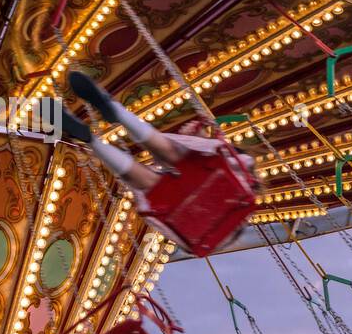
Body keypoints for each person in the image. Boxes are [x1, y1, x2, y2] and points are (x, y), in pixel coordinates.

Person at [51, 71, 262, 253]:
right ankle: (90, 140)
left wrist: (204, 140)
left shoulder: (244, 186)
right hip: (190, 217)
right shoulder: (223, 229)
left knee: (171, 150)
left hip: (219, 183)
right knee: (148, 182)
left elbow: (232, 157)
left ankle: (118, 112)